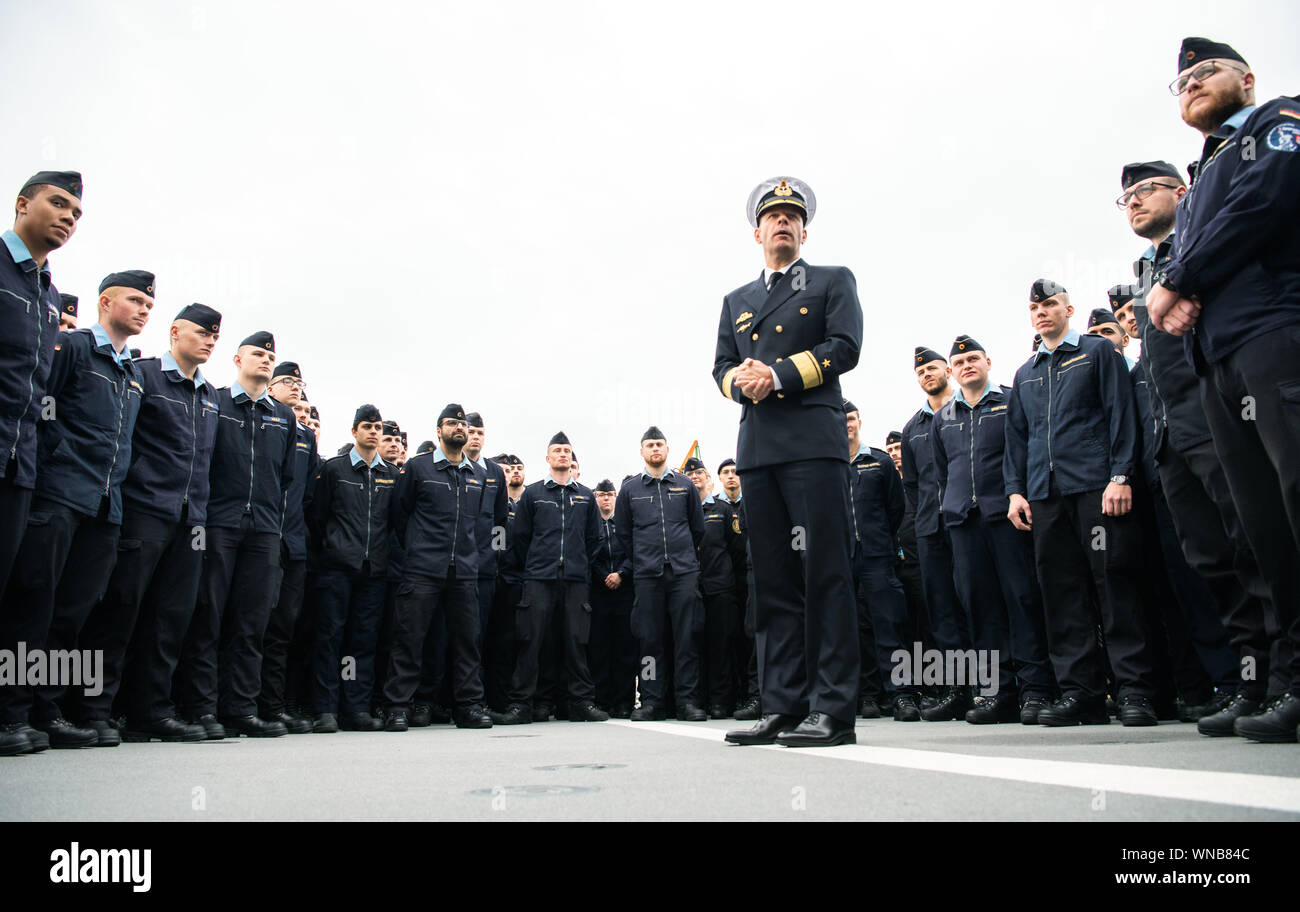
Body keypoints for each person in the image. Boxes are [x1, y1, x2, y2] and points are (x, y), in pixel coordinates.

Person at [1145, 36, 1300, 742]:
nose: (1191, 86)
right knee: (1263, 531)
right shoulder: (1203, 173)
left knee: (1295, 502)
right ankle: (1281, 680)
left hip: (1276, 335)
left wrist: (1176, 282)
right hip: (1220, 362)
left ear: (1247, 77)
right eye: (1180, 84)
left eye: (1205, 74)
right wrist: (1179, 286)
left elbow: (1262, 205)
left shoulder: (1277, 123)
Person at [1118, 157, 1277, 737]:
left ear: (1182, 193)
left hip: (1217, 422)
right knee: (1211, 562)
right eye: (1126, 197)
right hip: (1169, 439)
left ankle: (1284, 677)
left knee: (1252, 546)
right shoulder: (1144, 270)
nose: (1133, 202)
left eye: (1145, 190)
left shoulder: (1199, 247)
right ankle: (1249, 682)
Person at [714, 176, 863, 747]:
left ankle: (831, 710)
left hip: (811, 444)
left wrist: (776, 374)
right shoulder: (736, 300)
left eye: (791, 216)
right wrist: (740, 382)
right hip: (758, 451)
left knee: (824, 573)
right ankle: (781, 704)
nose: (782, 222)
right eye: (772, 216)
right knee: (772, 580)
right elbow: (722, 365)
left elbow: (845, 347)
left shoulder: (831, 281)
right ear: (757, 231)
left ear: (804, 230)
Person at [0, 269, 150, 750]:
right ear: (105, 302)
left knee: (73, 613)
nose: (144, 309)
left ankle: (48, 708)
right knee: (33, 606)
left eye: (149, 304)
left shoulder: (131, 372)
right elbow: (42, 409)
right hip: (59, 494)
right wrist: (54, 466)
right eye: (134, 300)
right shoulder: (76, 348)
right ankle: (11, 712)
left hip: (106, 505)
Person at [1004, 280, 1158, 726]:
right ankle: (1081, 693)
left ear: (1068, 309)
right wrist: (1016, 491)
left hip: (1096, 487)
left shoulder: (1096, 353)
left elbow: (1121, 415)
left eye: (1050, 304)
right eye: (1035, 307)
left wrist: (1120, 475)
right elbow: (1019, 440)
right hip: (1045, 497)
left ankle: (1135, 691)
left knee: (1115, 584)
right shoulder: (1025, 372)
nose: (1042, 312)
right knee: (1061, 593)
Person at [72, 304, 222, 745]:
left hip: (191, 521)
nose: (210, 341)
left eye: (215, 336)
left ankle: (150, 712)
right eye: (202, 333)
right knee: (120, 612)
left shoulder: (210, 395)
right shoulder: (144, 375)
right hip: (143, 510)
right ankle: (93, 709)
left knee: (170, 620)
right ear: (175, 332)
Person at [174, 331, 297, 739]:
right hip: (218, 523)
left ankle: (241, 708)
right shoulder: (215, 401)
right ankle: (202, 708)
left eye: (270, 356)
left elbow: (285, 477)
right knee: (208, 615)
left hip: (263, 528)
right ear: (237, 359)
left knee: (252, 621)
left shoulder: (284, 416)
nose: (265, 360)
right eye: (258, 354)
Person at [930, 336, 1055, 724]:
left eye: (973, 358)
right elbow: (942, 471)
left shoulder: (1009, 401)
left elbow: (1026, 451)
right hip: (963, 522)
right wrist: (950, 507)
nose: (967, 365)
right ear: (951, 372)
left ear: (987, 361)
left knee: (1022, 600)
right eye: (960, 361)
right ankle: (996, 693)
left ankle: (1035, 689)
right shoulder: (942, 418)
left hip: (1006, 516)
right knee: (980, 609)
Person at [0, 170, 82, 639]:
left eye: (75, 214)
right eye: (58, 204)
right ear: (22, 203)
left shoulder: (49, 293)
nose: (68, 217)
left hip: (18, 467)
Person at [383, 404, 492, 730]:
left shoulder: (477, 474)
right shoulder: (418, 469)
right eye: (451, 424)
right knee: (409, 639)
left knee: (467, 642)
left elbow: (483, 523)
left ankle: (469, 706)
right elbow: (399, 516)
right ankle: (398, 706)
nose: (459, 429)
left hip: (464, 570)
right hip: (423, 568)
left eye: (463, 425)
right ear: (438, 431)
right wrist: (418, 549)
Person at [495, 432, 609, 724]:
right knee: (530, 642)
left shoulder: (585, 496)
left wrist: (578, 564)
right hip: (538, 579)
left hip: (574, 581)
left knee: (575, 642)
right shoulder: (533, 494)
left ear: (571, 458)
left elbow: (594, 539)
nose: (562, 454)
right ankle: (522, 704)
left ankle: (581, 703)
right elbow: (520, 538)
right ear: (547, 458)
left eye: (567, 451)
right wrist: (536, 564)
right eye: (557, 450)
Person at [307, 404, 395, 732]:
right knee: (329, 637)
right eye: (367, 426)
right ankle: (325, 708)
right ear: (354, 431)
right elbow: (318, 517)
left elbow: (394, 522)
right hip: (337, 568)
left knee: (362, 641)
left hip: (374, 571)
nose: (373, 432)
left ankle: (355, 706)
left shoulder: (391, 474)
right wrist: (333, 549)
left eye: (377, 427)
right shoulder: (334, 469)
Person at [615, 429, 706, 721]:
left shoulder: (684, 485)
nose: (655, 449)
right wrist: (642, 558)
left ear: (667, 449)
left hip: (683, 572)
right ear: (642, 451)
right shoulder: (630, 489)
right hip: (647, 574)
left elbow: (697, 529)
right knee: (649, 641)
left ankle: (686, 702)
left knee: (687, 638)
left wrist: (683, 556)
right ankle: (652, 702)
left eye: (659, 444)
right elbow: (624, 534)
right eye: (649, 445)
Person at [900, 347, 971, 721]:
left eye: (932, 367)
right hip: (931, 527)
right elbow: (911, 487)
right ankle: (957, 689)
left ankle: (992, 687)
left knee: (978, 602)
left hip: (968, 520)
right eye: (921, 371)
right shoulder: (913, 428)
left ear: (947, 370)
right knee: (942, 611)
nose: (927, 374)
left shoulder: (970, 408)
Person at [259, 360, 316, 733]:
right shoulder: (260, 421)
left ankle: (271, 706)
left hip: (292, 544)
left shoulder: (306, 439)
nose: (296, 388)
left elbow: (307, 494)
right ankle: (224, 704)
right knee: (246, 624)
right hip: (257, 537)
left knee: (281, 630)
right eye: (288, 383)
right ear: (271, 389)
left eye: (300, 384)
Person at [844, 401, 909, 720]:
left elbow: (895, 508)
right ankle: (869, 695)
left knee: (889, 624)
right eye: (840, 418)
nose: (846, 423)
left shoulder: (880, 463)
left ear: (859, 421)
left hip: (877, 555)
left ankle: (901, 695)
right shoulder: (829, 465)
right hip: (843, 560)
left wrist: (880, 538)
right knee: (856, 628)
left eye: (851, 418)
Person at [589, 478, 635, 716]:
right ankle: (601, 700)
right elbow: (588, 552)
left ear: (616, 497)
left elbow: (635, 549)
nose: (605, 499)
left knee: (625, 648)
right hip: (598, 592)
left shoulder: (624, 524)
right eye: (601, 495)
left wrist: (621, 574)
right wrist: (603, 576)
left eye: (609, 494)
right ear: (595, 498)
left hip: (624, 590)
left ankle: (624, 701)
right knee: (599, 648)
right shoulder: (592, 524)